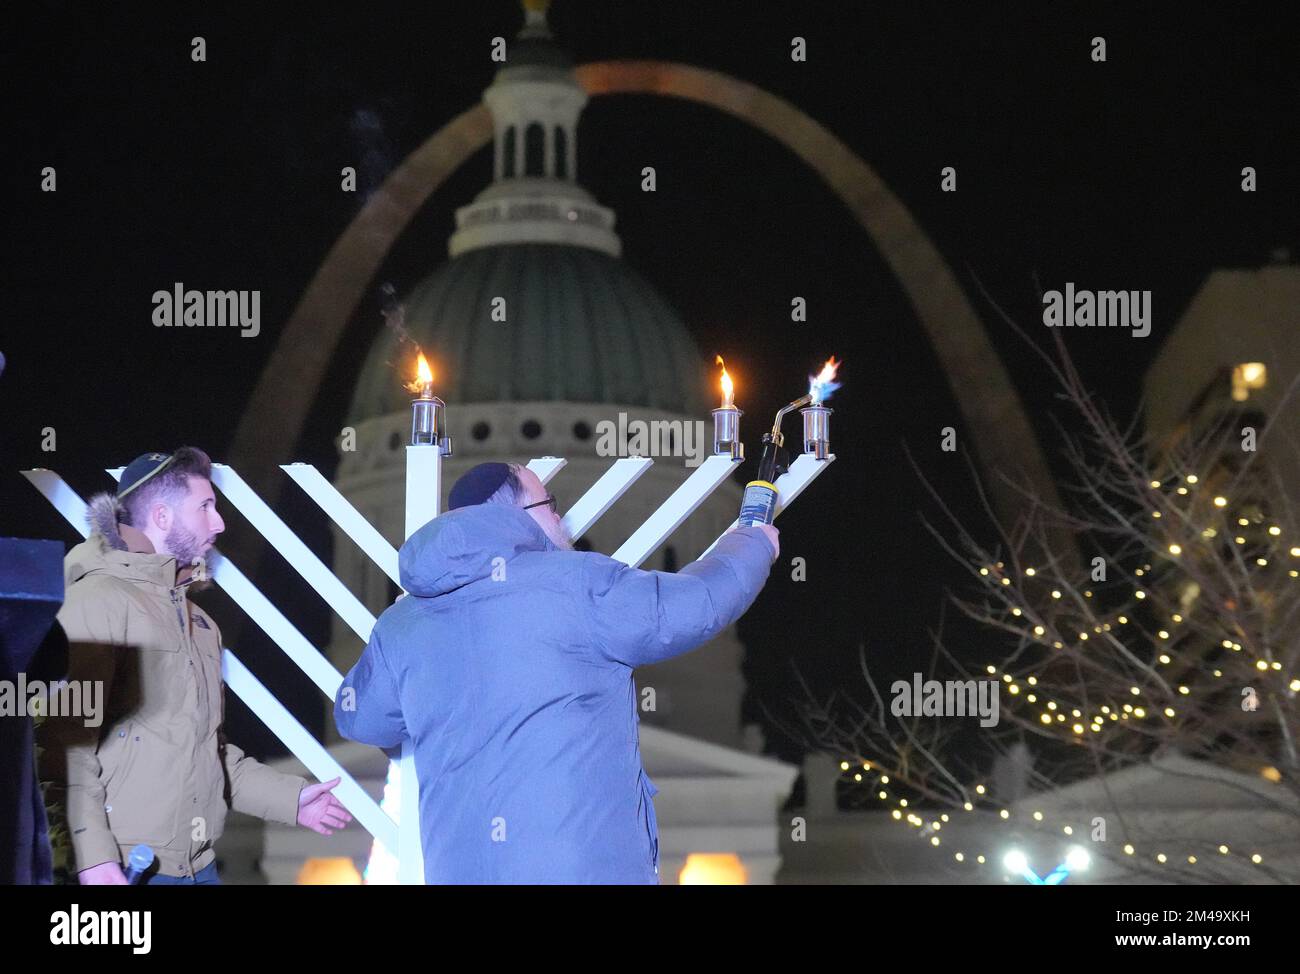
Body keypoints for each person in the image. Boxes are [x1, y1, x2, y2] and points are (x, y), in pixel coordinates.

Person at [336, 461, 778, 883]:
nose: (562, 518)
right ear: (516, 516)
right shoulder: (576, 584)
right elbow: (694, 606)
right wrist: (753, 540)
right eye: (549, 504)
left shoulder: (402, 625)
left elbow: (360, 718)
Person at [39, 447, 352, 884]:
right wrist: (93, 857)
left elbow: (209, 752)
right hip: (127, 869)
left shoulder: (200, 623)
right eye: (205, 506)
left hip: (200, 867)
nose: (220, 522)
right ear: (163, 517)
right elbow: (64, 743)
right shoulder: (97, 602)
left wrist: (291, 799)